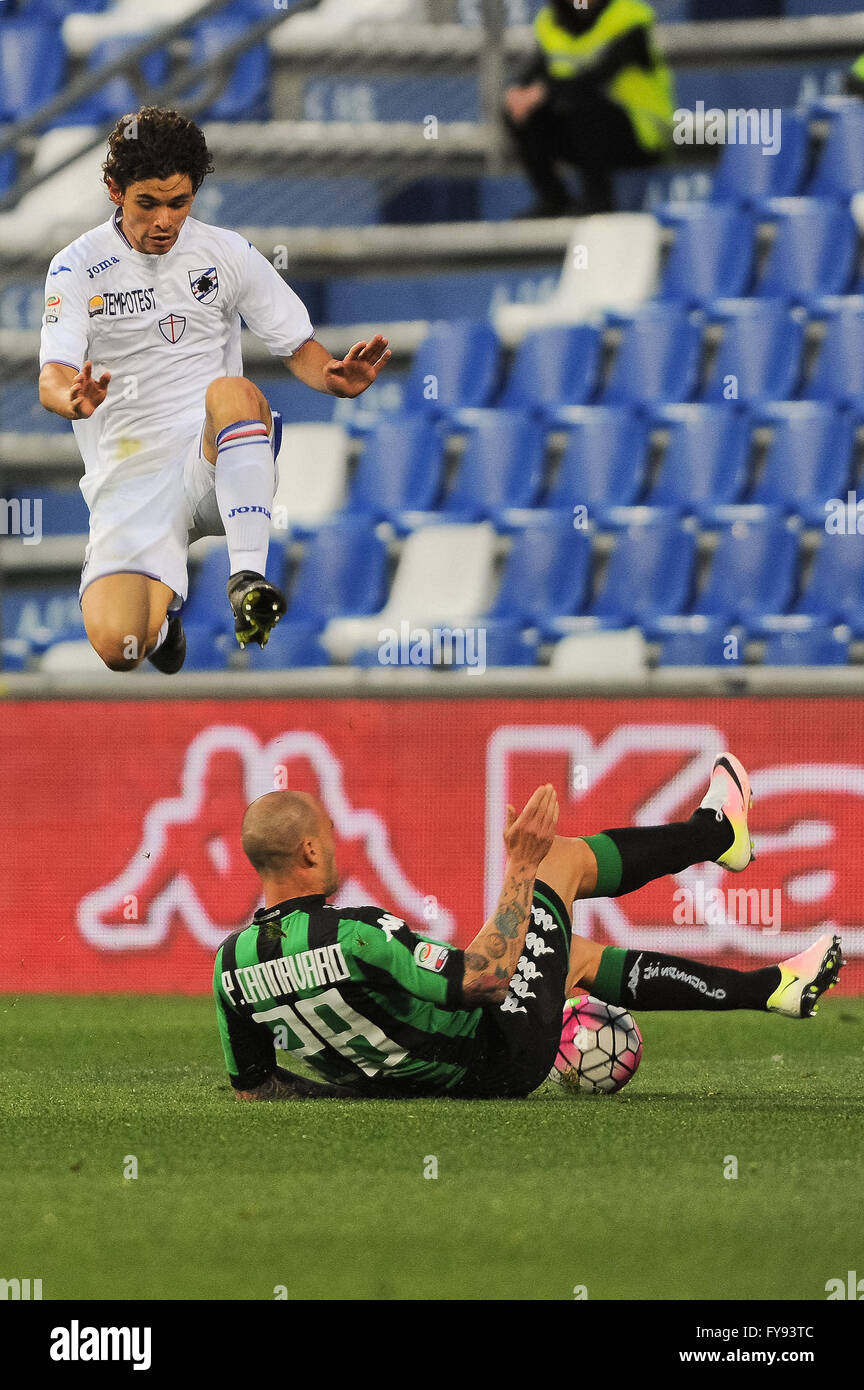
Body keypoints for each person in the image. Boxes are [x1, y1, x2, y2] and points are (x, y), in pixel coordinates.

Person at [213, 753, 844, 1102]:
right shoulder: (356, 932)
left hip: (446, 1074)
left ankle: (774, 986)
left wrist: (356, 1093)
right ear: (309, 855)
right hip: (499, 1052)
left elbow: (257, 1086)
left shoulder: (229, 966)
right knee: (559, 860)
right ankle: (718, 831)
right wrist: (521, 865)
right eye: (328, 837)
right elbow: (485, 980)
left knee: (572, 956)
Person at [37, 107, 391, 674]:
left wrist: (330, 376)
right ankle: (163, 625)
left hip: (218, 462)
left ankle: (247, 580)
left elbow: (299, 347)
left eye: (179, 203)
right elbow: (52, 375)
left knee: (233, 389)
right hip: (130, 483)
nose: (164, 221)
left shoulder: (225, 253)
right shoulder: (77, 268)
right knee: (118, 648)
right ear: (114, 191)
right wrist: (72, 399)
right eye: (147, 204)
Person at [503, 0, 676, 218]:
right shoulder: (552, 21)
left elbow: (598, 77)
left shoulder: (629, 17)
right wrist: (518, 92)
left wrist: (542, 92)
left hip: (642, 135)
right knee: (521, 111)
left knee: (587, 105)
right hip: (585, 137)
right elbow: (537, 71)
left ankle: (598, 200)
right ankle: (554, 200)